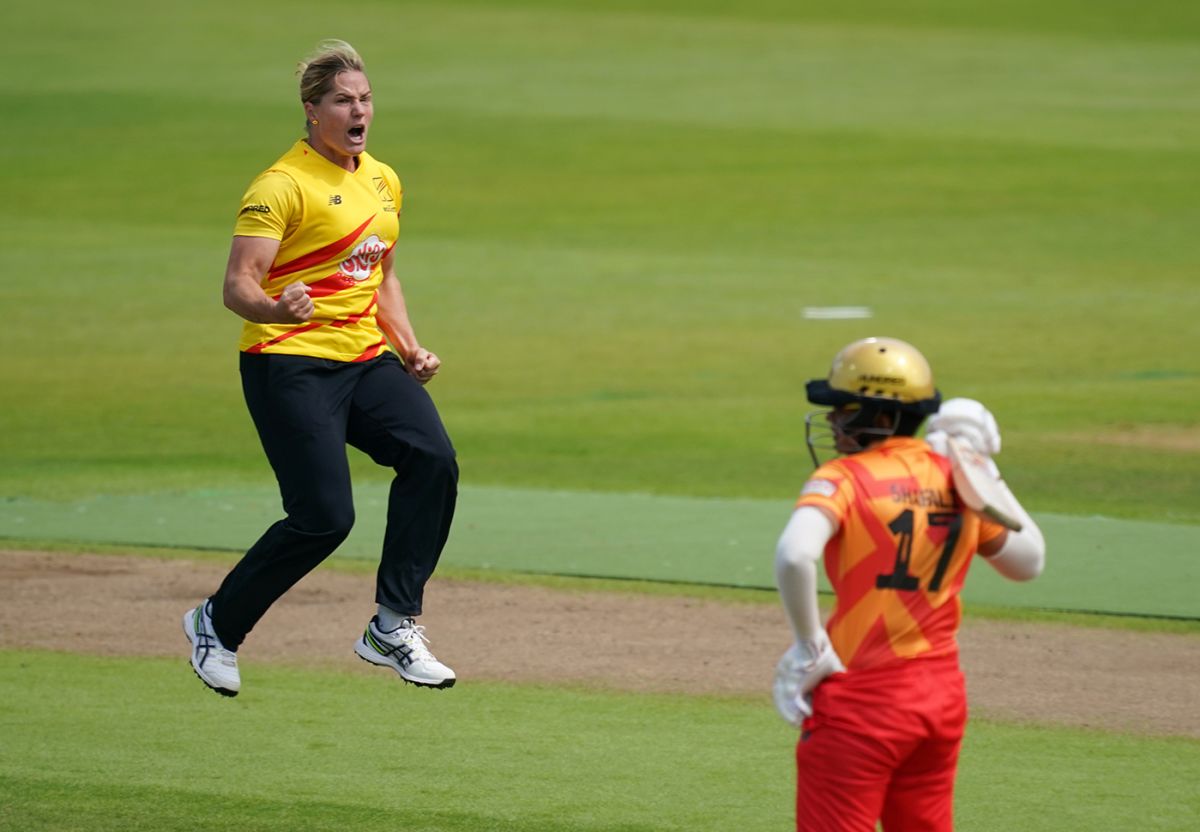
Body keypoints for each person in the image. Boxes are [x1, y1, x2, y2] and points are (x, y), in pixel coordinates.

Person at [183, 39, 459, 697]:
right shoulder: (280, 185)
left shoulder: (383, 179)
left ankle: (391, 626)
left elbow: (380, 274)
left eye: (365, 99)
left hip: (363, 358)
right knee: (324, 517)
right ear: (312, 110)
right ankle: (216, 624)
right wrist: (276, 308)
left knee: (433, 460)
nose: (358, 111)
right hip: (288, 363)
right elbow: (238, 284)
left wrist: (409, 345)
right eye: (342, 100)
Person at [772, 336, 1045, 831]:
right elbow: (1028, 562)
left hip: (861, 701)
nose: (832, 420)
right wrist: (984, 469)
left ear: (879, 416)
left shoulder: (844, 477)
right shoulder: (956, 478)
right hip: (940, 700)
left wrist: (809, 646)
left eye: (843, 409)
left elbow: (794, 554)